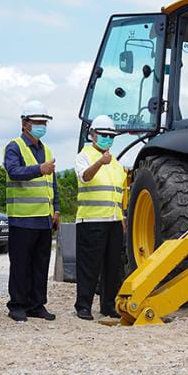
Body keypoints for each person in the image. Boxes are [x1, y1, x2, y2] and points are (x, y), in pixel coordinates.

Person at [3, 100, 59, 322]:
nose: (42, 125)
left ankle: (37, 304)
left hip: (43, 219)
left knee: (40, 264)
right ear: (25, 123)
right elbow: (14, 171)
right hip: (22, 218)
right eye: (38, 121)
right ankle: (17, 305)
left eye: (44, 121)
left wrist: (56, 209)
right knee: (20, 264)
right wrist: (39, 169)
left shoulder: (46, 149)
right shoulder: (14, 146)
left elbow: (52, 183)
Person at [73, 115, 126, 321]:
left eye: (111, 136)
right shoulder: (84, 155)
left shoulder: (115, 163)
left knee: (112, 266)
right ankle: (83, 306)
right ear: (92, 135)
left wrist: (121, 218)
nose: (107, 139)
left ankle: (108, 305)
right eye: (103, 135)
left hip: (113, 221)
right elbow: (85, 177)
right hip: (91, 221)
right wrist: (99, 163)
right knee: (89, 266)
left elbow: (118, 193)